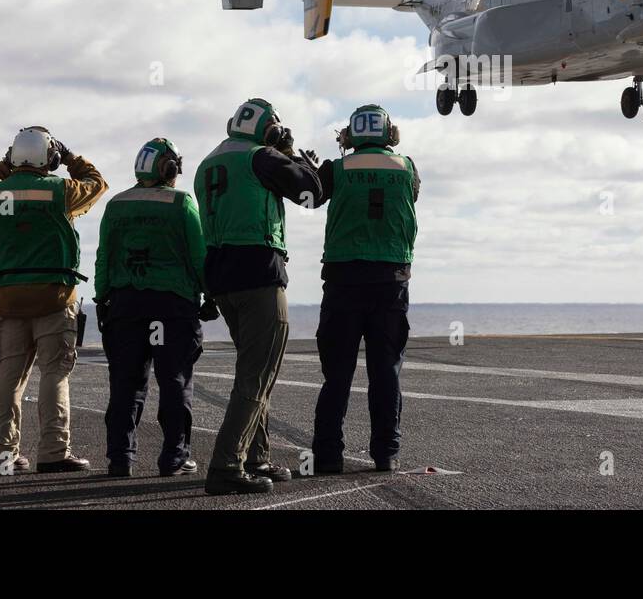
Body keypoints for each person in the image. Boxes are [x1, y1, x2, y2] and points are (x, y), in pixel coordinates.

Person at [195, 98, 322, 495]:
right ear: (269, 130)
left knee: (255, 367)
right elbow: (312, 193)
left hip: (221, 275)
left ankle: (256, 456)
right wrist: (299, 160)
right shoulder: (261, 157)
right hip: (257, 272)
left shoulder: (209, 162)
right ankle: (226, 465)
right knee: (257, 373)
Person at [0, 126, 106, 475]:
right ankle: (52, 451)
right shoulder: (62, 189)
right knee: (55, 374)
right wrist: (70, 156)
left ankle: (3, 456)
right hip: (54, 295)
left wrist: (7, 163)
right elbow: (97, 182)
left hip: (6, 300)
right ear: (49, 158)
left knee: (7, 381)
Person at [310, 105, 419, 474]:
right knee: (385, 370)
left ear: (350, 136)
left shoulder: (336, 169)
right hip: (390, 281)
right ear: (391, 134)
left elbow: (313, 193)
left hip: (343, 281)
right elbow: (413, 196)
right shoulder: (407, 167)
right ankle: (385, 453)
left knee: (337, 375)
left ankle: (327, 456)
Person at [94, 138, 209, 478]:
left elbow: (104, 256)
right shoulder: (181, 202)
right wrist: (211, 295)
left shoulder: (116, 204)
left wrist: (102, 298)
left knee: (125, 384)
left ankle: (120, 458)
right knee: (174, 381)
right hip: (172, 307)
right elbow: (199, 256)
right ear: (168, 168)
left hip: (125, 305)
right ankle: (174, 457)